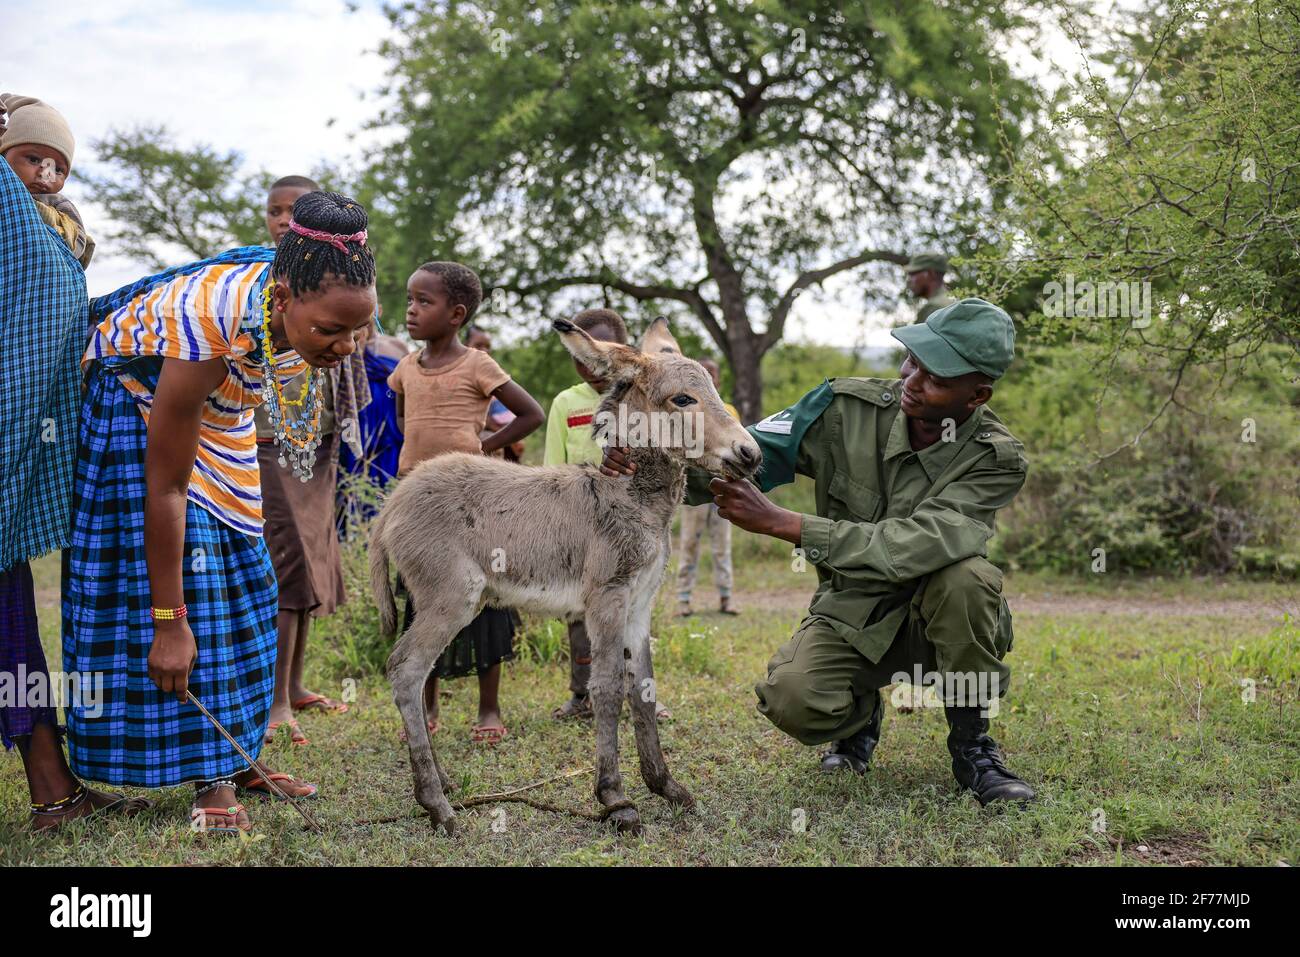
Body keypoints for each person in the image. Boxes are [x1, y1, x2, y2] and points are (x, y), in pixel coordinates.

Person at [603, 299, 1036, 805]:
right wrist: (642, 454)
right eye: (912, 360)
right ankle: (857, 719)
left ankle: (972, 745)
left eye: (935, 375)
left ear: (976, 395)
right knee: (791, 700)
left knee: (968, 578)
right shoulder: (841, 407)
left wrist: (786, 525)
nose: (911, 379)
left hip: (938, 618)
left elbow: (917, 544)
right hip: (853, 611)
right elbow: (748, 455)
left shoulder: (996, 458)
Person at [64, 191, 377, 833]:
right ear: (284, 300)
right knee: (196, 587)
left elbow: (263, 371)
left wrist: (321, 338)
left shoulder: (296, 291)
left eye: (357, 331)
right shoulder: (205, 324)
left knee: (247, 579)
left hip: (222, 413)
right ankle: (211, 781)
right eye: (331, 331)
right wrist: (169, 622)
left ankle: (239, 758)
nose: (345, 347)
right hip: (136, 407)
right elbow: (167, 490)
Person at [0, 114, 150, 830]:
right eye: (32, 157)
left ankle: (55, 794)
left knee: (14, 629)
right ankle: (55, 796)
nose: (47, 175)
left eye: (60, 165)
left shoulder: (55, 237)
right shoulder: (11, 219)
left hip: (13, 471)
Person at [388, 262, 543, 744]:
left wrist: (482, 446)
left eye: (424, 302)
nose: (411, 310)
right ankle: (426, 705)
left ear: (456, 314)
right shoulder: (406, 367)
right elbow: (401, 419)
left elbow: (530, 413)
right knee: (422, 603)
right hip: (419, 506)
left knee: (486, 599)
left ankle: (489, 709)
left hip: (473, 504)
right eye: (410, 300)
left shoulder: (477, 364)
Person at [255, 176, 372, 746]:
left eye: (291, 211)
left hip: (316, 441)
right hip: (264, 442)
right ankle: (273, 701)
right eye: (273, 211)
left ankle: (296, 685)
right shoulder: (266, 285)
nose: (281, 220)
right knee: (287, 565)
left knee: (311, 566)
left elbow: (360, 341)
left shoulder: (340, 280)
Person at [542, 308, 670, 722]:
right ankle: (583, 696)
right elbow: (551, 466)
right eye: (579, 358)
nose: (588, 368)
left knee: (634, 611)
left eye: (596, 358)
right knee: (581, 615)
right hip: (581, 525)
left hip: (633, 525)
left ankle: (642, 694)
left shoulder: (644, 397)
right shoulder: (565, 402)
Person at [675, 357, 741, 617]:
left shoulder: (729, 411)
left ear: (718, 380)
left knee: (722, 545)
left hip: (722, 489)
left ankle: (726, 597)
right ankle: (683, 599)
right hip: (695, 489)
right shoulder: (685, 411)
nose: (710, 379)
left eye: (713, 374)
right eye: (705, 375)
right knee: (689, 543)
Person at [0, 92, 95, 267]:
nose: (47, 175)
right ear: (4, 155)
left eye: (58, 169)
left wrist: (28, 207)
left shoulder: (57, 204)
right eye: (34, 160)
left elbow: (77, 245)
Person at [904, 252, 955, 324]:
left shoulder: (934, 308)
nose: (909, 280)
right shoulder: (951, 302)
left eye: (913, 274)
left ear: (931, 273)